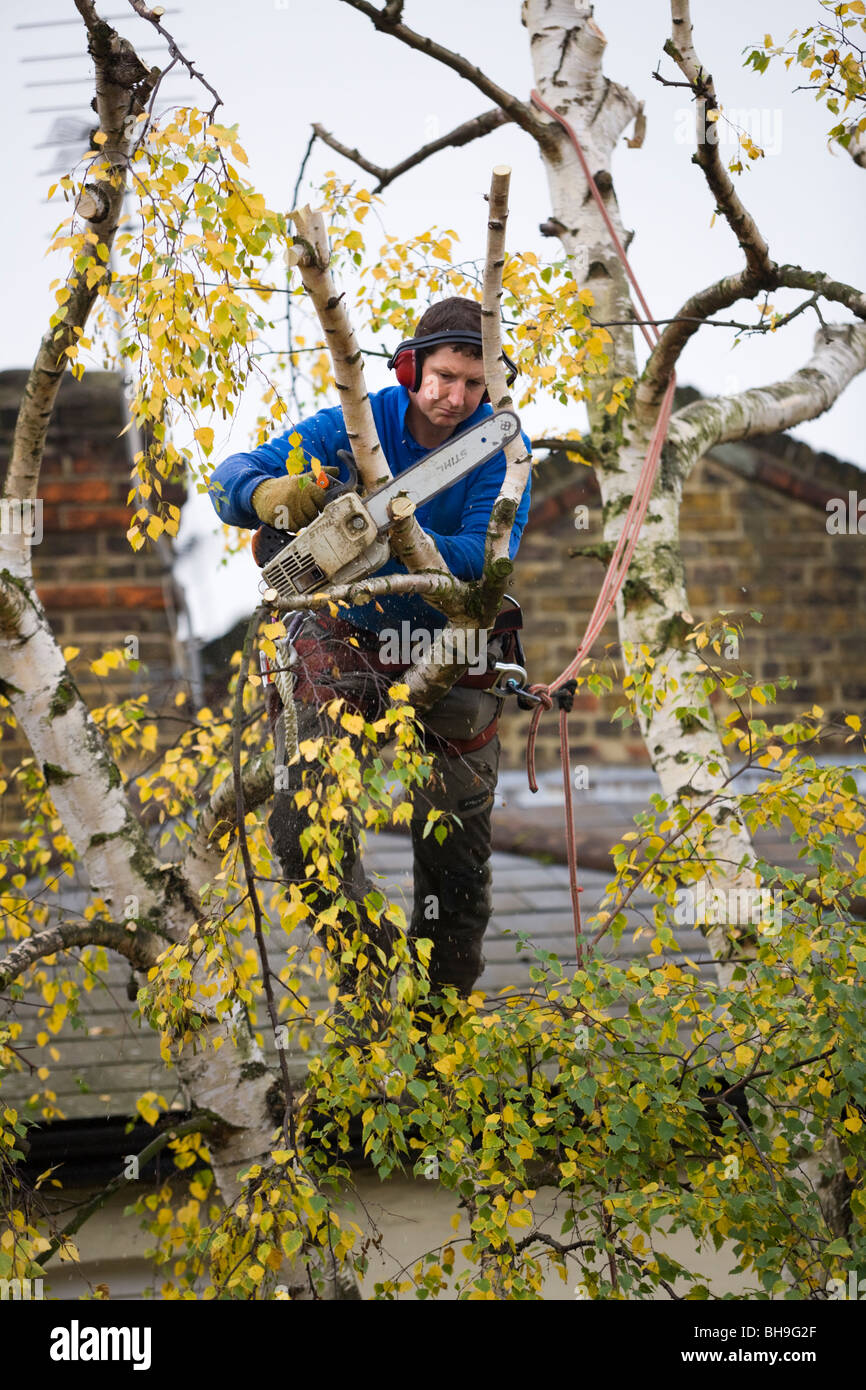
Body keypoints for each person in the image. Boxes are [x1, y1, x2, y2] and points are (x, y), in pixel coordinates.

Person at [208, 297, 532, 1009]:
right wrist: (272, 495)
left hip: (449, 647)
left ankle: (438, 1019)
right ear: (412, 367)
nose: (455, 397)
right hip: (346, 639)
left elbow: (483, 560)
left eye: (474, 385)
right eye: (444, 377)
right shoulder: (358, 425)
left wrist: (395, 534)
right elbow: (226, 475)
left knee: (455, 868)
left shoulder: (499, 451)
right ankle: (366, 970)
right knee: (303, 828)